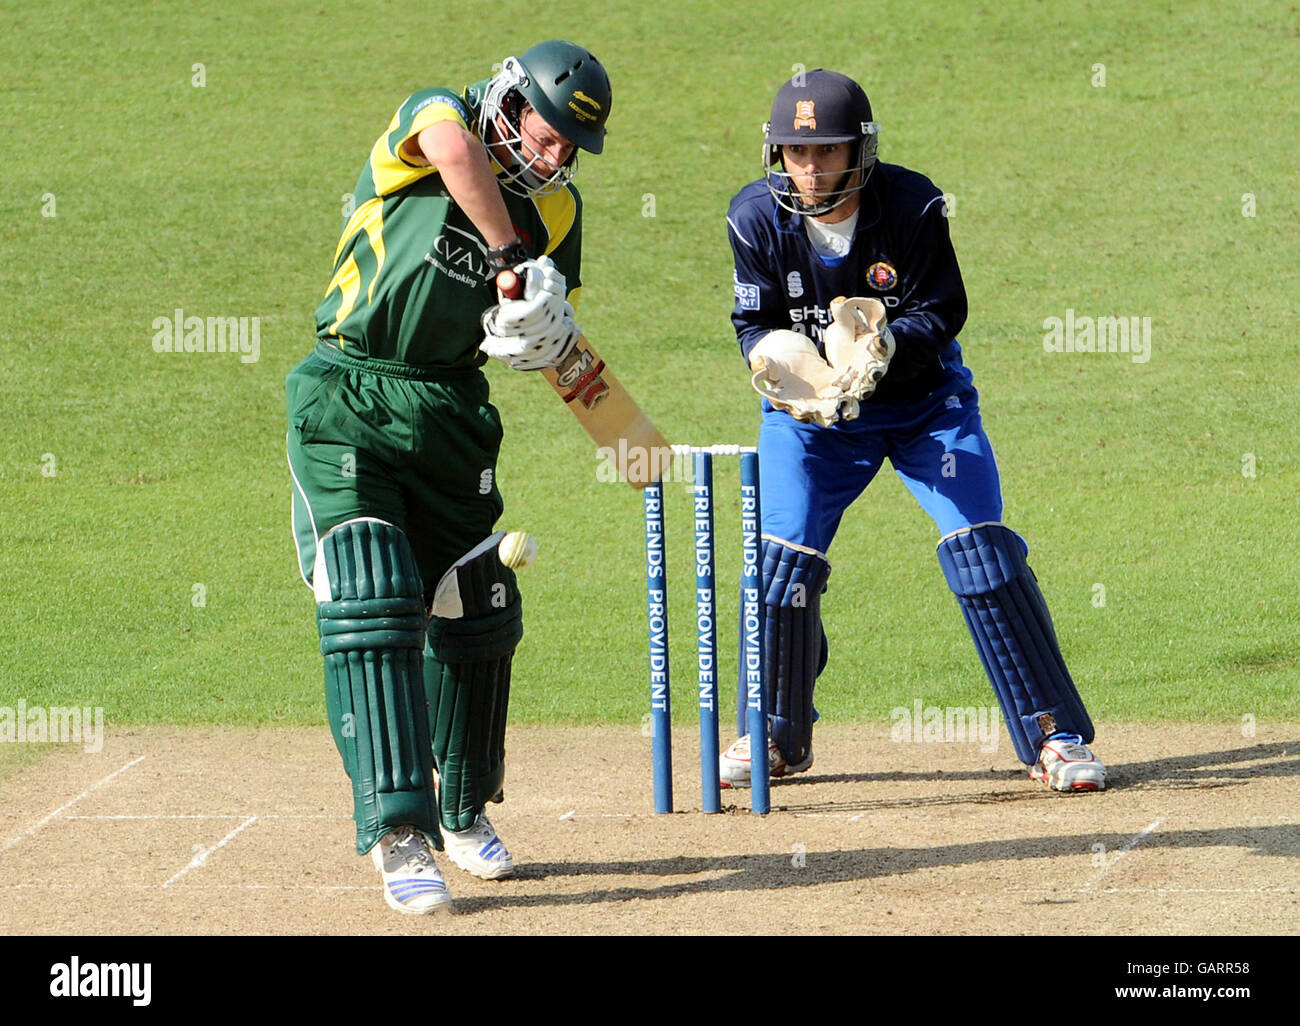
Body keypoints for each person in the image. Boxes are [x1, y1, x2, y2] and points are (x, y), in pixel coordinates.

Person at [285, 41, 612, 914]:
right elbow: (457, 157)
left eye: (567, 152)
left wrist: (550, 347)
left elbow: (534, 324)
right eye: (544, 137)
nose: (552, 161)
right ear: (508, 101)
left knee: (479, 610)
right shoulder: (440, 115)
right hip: (350, 388)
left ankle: (463, 813)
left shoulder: (557, 217)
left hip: (450, 412)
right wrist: (510, 256)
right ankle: (401, 830)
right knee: (375, 596)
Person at [720, 69, 1106, 795]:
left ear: (858, 151)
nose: (808, 169)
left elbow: (946, 308)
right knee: (781, 563)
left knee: (980, 552)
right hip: (820, 421)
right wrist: (776, 361)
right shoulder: (752, 218)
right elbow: (753, 322)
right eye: (795, 153)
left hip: (926, 406)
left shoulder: (911, 202)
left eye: (825, 152)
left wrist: (888, 344)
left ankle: (1055, 734)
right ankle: (773, 731)